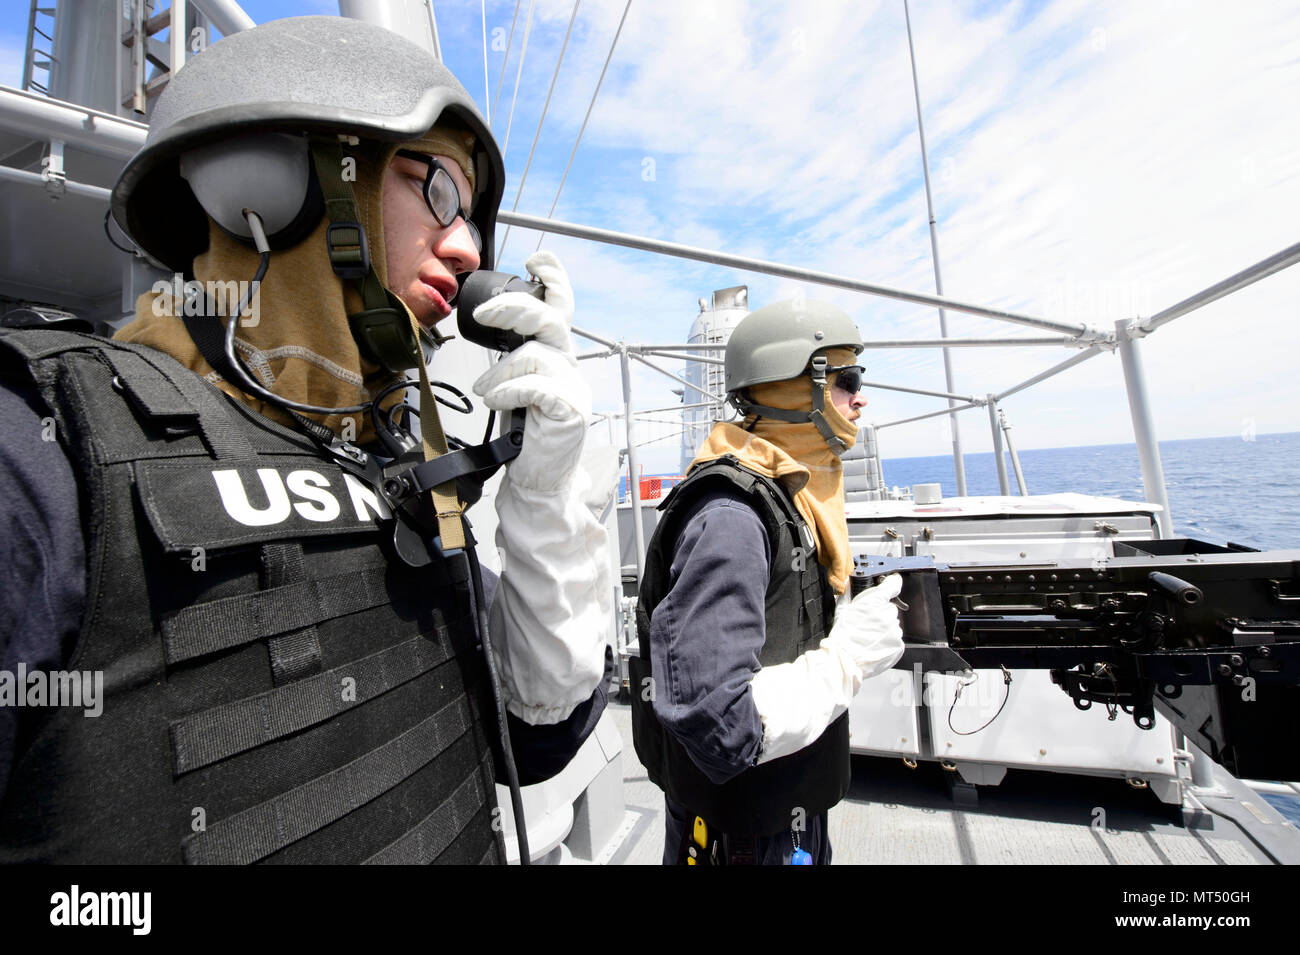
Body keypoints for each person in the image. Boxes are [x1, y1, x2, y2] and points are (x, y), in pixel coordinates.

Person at [0, 15, 611, 864]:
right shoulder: (41, 451)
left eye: (470, 212)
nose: (468, 247)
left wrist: (547, 499)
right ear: (269, 184)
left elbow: (536, 737)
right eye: (433, 187)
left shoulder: (401, 466)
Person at [630, 299, 904, 865]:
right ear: (790, 389)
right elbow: (718, 720)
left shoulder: (788, 495)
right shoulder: (732, 517)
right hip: (745, 836)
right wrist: (846, 661)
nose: (861, 397)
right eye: (846, 379)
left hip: (783, 809)